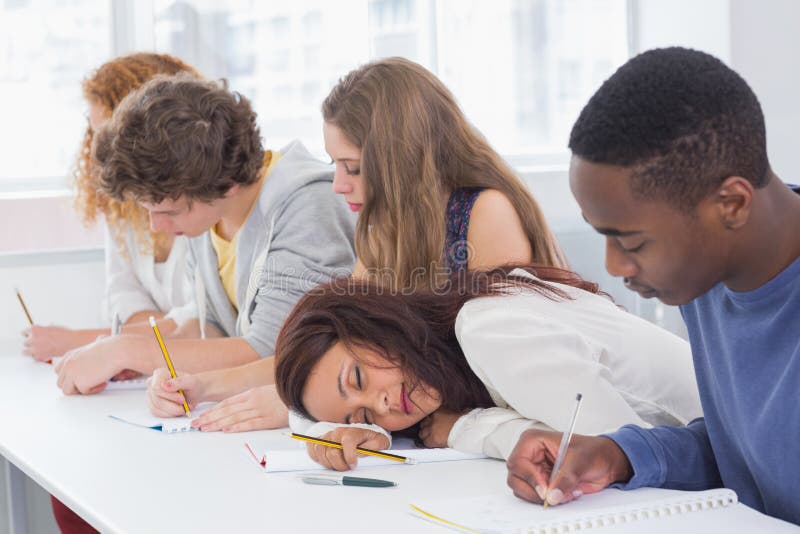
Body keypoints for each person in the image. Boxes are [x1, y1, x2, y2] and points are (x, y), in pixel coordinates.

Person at [146, 57, 569, 432]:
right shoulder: (382, 228)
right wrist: (201, 385)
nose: (338, 184)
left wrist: (300, 409)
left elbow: (492, 367)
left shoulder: (485, 212)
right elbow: (326, 354)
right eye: (335, 165)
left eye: (353, 168)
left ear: (402, 160)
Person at [505, 47, 800, 526]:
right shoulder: (708, 276)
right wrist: (616, 453)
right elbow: (758, 457)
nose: (615, 266)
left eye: (633, 243)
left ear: (731, 204)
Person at [53, 75, 356, 407]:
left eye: (170, 211)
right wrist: (129, 355)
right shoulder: (209, 216)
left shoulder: (307, 207)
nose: (157, 225)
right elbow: (213, 324)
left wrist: (130, 350)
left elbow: (276, 351)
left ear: (226, 184)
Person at [265, 266, 702, 472]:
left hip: (729, 464)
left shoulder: (487, 328)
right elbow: (309, 410)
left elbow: (602, 455)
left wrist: (466, 428)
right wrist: (360, 433)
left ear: (376, 323)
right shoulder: (453, 338)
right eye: (362, 416)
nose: (379, 405)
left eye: (358, 378)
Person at [22, 53, 200, 363]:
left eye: (104, 133)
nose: (94, 149)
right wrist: (156, 332)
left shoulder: (202, 203)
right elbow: (122, 296)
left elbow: (203, 323)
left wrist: (80, 341)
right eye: (92, 132)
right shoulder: (122, 206)